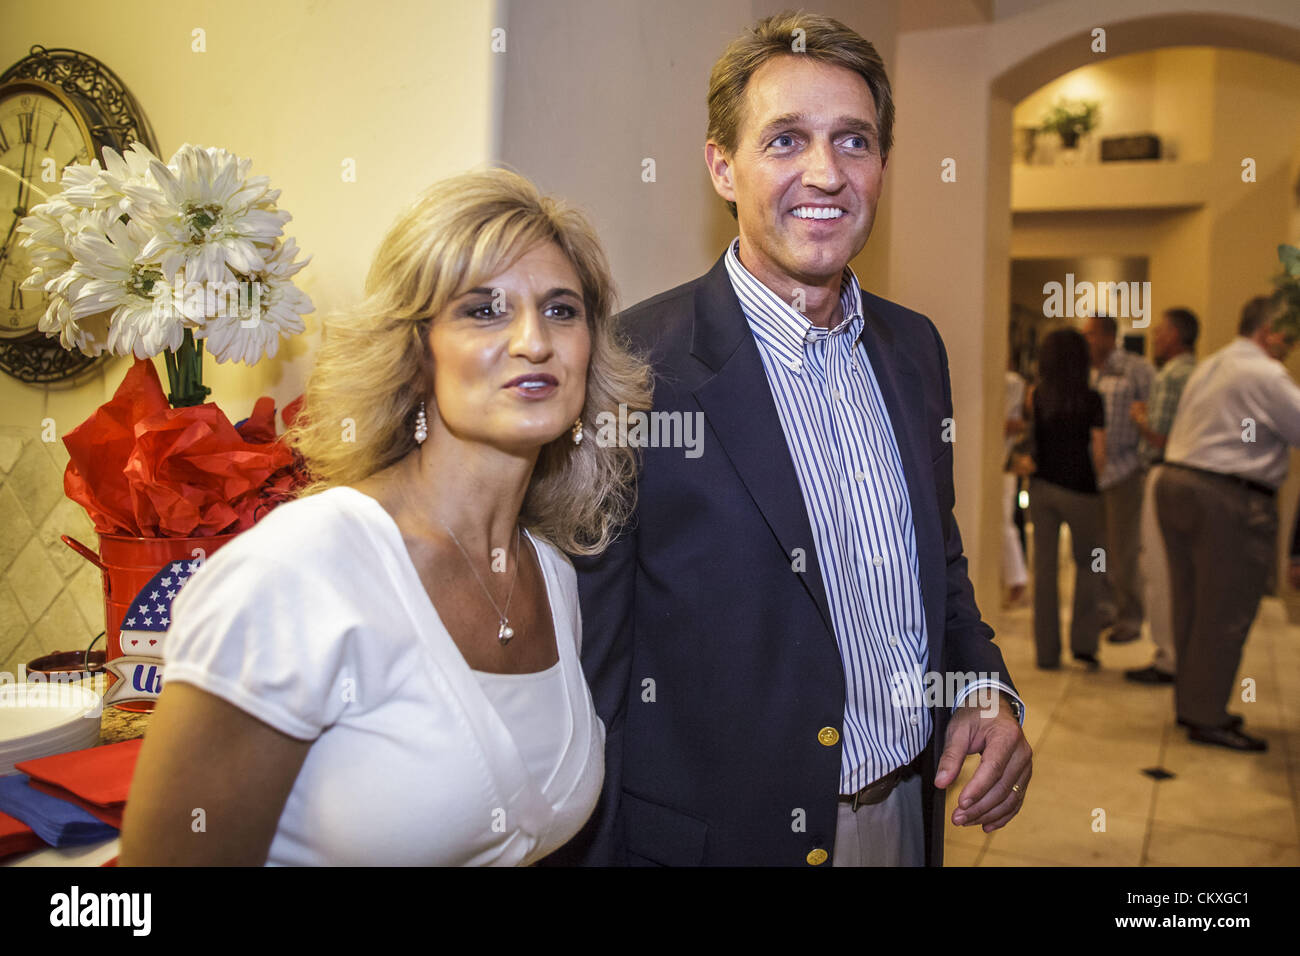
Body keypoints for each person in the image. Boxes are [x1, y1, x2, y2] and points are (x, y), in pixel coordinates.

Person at [555, 12, 1030, 868]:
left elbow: (941, 571)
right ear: (721, 166)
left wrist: (984, 689)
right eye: (785, 140)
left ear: (884, 165)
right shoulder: (627, 366)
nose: (827, 172)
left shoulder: (915, 348)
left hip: (903, 823)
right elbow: (596, 669)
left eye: (855, 141)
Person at [120, 169, 652, 864]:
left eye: (561, 310)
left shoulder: (552, 576)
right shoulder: (304, 568)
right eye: (484, 309)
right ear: (415, 355)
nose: (533, 341)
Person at [1156, 294, 1300, 752]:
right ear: (1268, 329)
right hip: (1226, 497)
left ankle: (1193, 703)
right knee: (1225, 611)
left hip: (1177, 482)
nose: (1292, 342)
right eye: (1287, 332)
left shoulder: (1213, 363)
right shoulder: (1265, 372)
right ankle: (1206, 714)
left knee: (1192, 605)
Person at [1017, 328, 1108, 670]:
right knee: (1090, 565)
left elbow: (1033, 439)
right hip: (1081, 489)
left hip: (1042, 488)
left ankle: (1047, 653)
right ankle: (1084, 645)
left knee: (1045, 569)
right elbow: (1099, 452)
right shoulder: (1092, 399)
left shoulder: (1035, 396)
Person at [1125, 307, 1199, 685]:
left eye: (1161, 330)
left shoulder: (1171, 376)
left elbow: (1161, 437)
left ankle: (1167, 657)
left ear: (1176, 335)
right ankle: (1181, 654)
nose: (1155, 335)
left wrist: (1139, 417)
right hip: (1192, 480)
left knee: (1158, 570)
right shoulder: (1198, 372)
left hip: (1163, 472)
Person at [1082, 313, 1155, 644]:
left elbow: (1151, 416)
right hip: (1089, 475)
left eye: (1091, 334)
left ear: (1109, 336)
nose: (1087, 340)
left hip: (1123, 471)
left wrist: (1142, 459)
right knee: (1097, 550)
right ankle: (1105, 609)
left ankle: (1131, 617)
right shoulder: (1084, 369)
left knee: (1123, 550)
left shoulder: (1135, 369)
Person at [1003, 362, 1030, 606]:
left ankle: (1017, 580)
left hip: (1004, 464)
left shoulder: (1011, 382)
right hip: (1004, 463)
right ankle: (1015, 579)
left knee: (1005, 525)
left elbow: (1017, 423)